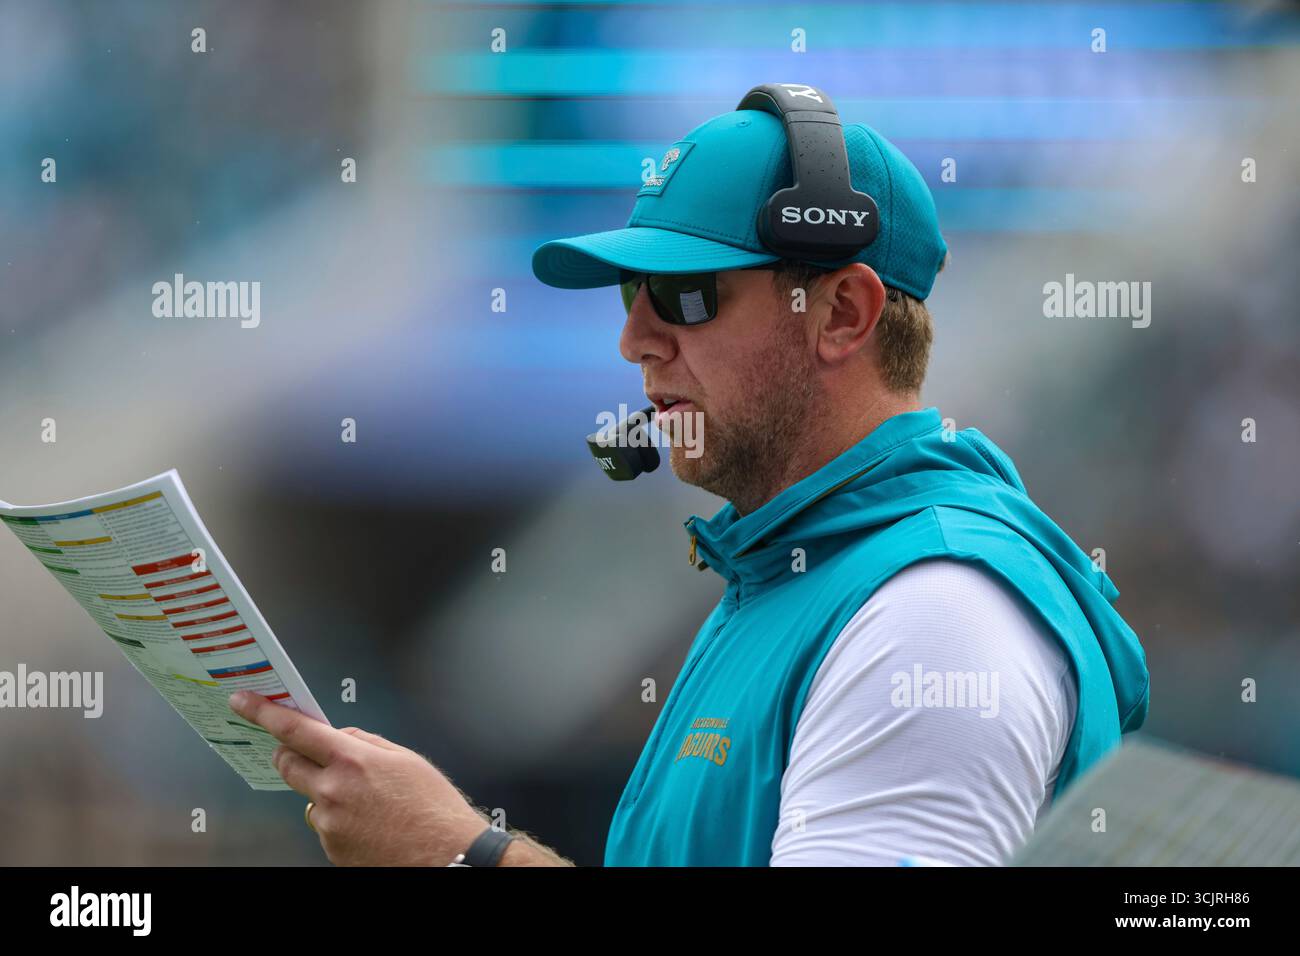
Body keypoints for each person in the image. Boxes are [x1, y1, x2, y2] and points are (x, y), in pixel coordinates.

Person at [230, 83, 1150, 867]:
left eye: (685, 294)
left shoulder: (933, 617)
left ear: (843, 314)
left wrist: (459, 853)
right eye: (633, 296)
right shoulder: (801, 569)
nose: (634, 339)